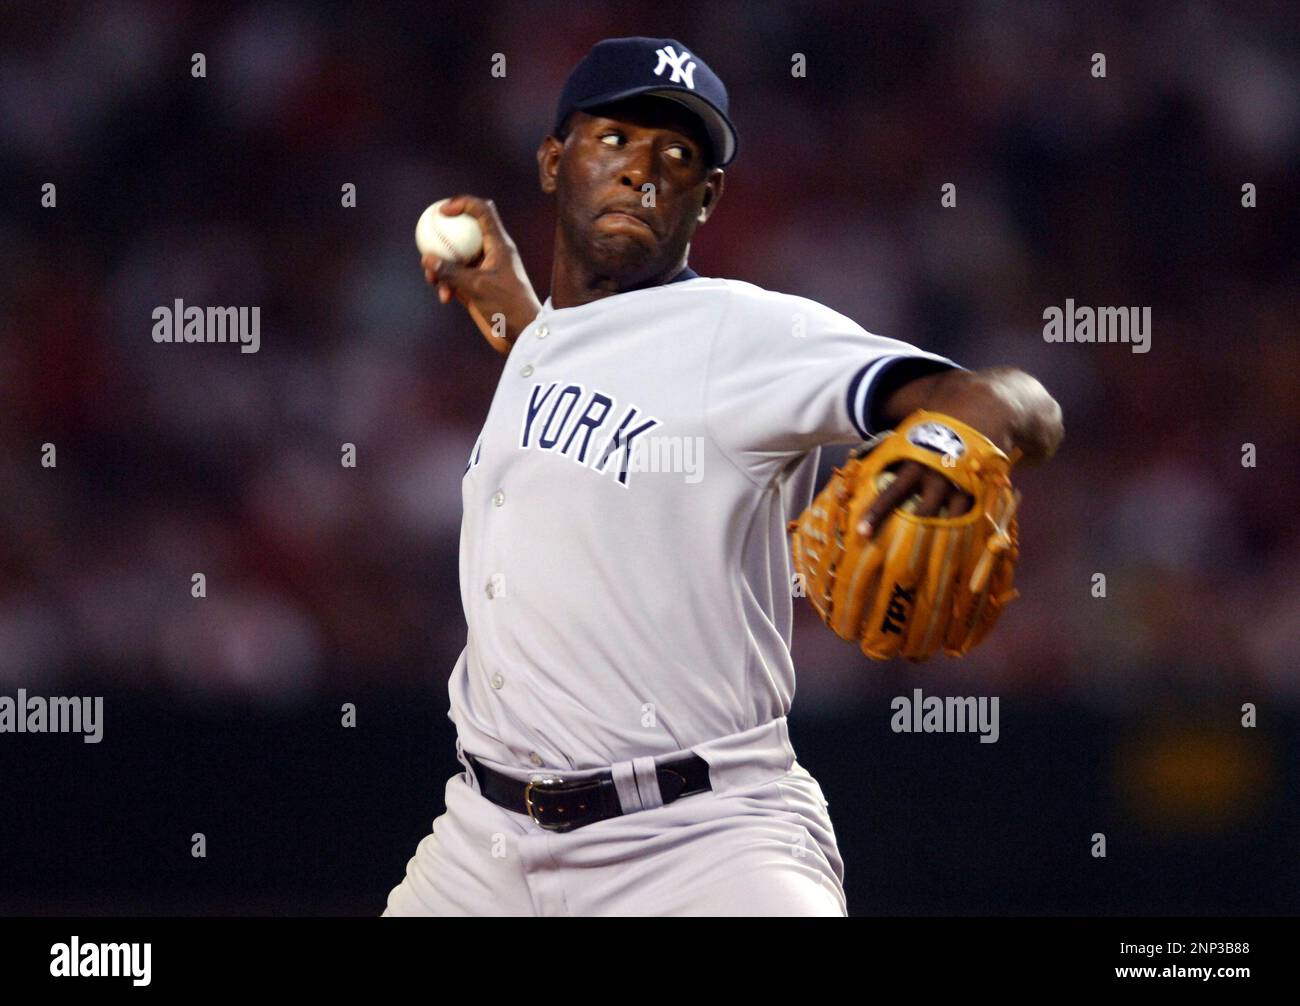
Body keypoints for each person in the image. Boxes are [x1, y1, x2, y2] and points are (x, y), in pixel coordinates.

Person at [384, 36, 1062, 916]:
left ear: (707, 198)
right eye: (615, 139)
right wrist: (513, 308)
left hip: (698, 843)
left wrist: (951, 441)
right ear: (554, 163)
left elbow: (1013, 401)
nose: (642, 171)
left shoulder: (743, 333)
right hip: (483, 841)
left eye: (678, 155)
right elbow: (595, 385)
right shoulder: (549, 343)